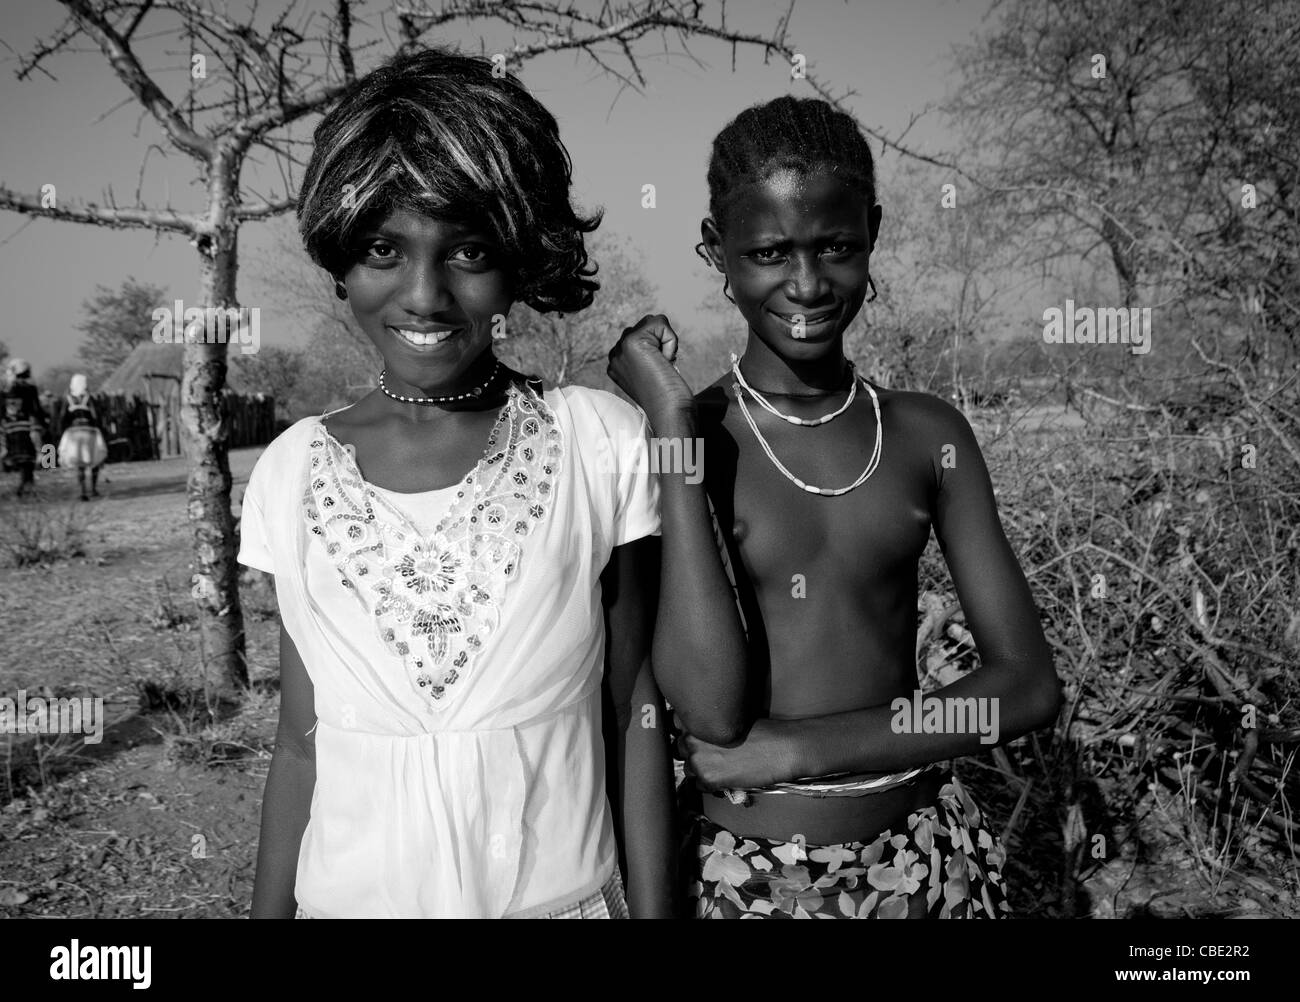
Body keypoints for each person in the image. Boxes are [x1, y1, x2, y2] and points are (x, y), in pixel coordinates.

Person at [608, 96, 1063, 918]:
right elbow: (697, 706)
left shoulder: (928, 436)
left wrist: (801, 749)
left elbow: (1025, 686)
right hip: (739, 882)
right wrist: (672, 427)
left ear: (874, 232)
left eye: (837, 248)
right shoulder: (689, 440)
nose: (809, 284)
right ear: (717, 250)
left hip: (925, 867)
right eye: (771, 252)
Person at [244, 48, 673, 918]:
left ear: (519, 256)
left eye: (469, 250)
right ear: (341, 259)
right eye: (383, 249)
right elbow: (300, 743)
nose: (425, 293)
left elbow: (633, 714)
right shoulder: (291, 472)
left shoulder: (599, 444)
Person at [58, 373, 109, 501]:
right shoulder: (89, 399)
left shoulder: (68, 399)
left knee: (78, 462)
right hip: (89, 432)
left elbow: (63, 417)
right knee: (95, 460)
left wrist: (63, 431)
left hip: (73, 434)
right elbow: (96, 416)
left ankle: (83, 491)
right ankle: (93, 489)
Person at [1, 359, 47, 497]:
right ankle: (48, 464)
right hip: (28, 423)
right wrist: (43, 422)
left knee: (18, 457)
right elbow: (36, 407)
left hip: (9, 424)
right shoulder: (30, 388)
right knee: (42, 444)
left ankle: (26, 484)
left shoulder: (4, 389)